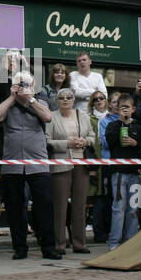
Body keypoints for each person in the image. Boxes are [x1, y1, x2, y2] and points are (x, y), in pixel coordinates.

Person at [0, 70, 62, 259]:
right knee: (15, 207)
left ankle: (48, 247)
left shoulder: (41, 103)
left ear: (33, 86)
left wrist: (30, 99)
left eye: (26, 84)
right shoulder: (9, 105)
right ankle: (20, 248)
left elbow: (48, 117)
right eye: (19, 84)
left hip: (37, 163)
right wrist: (11, 97)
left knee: (43, 206)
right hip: (12, 163)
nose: (23, 87)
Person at [46, 86, 94, 253]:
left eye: (68, 97)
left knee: (80, 205)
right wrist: (66, 144)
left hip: (81, 163)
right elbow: (47, 141)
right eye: (61, 98)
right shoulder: (51, 117)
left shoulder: (83, 116)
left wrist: (85, 142)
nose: (65, 100)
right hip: (60, 164)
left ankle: (79, 243)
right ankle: (59, 244)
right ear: (56, 101)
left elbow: (92, 137)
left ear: (73, 100)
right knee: (60, 206)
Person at [105, 94, 141, 249]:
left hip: (136, 173)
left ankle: (131, 241)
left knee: (133, 208)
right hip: (119, 173)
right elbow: (110, 141)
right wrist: (122, 123)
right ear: (117, 109)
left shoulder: (139, 128)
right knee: (118, 207)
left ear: (133, 109)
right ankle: (114, 242)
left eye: (128, 107)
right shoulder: (112, 125)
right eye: (122, 107)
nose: (125, 110)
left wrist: (135, 143)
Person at [90, 91, 115, 241]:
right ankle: (99, 232)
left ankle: (109, 229)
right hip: (97, 162)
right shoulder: (90, 118)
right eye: (95, 99)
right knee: (99, 197)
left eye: (101, 98)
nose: (99, 101)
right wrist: (92, 167)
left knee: (110, 197)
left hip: (113, 162)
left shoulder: (112, 118)